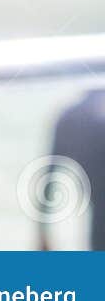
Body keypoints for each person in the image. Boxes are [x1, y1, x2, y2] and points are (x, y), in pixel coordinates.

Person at [40, 90, 104, 250]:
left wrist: (42, 231)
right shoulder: (73, 118)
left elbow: (50, 174)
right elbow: (50, 173)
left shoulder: (71, 117)